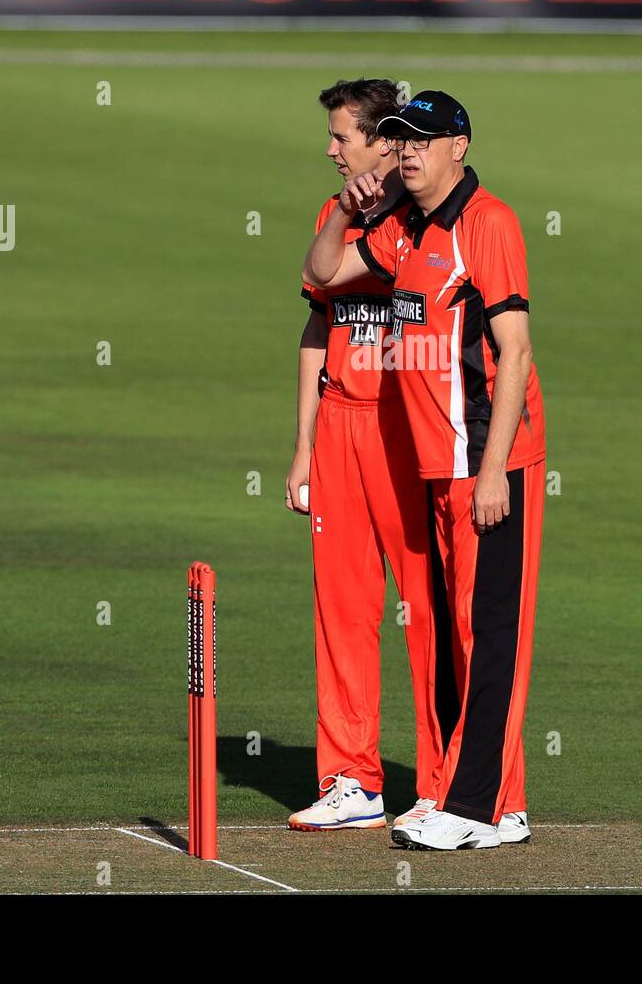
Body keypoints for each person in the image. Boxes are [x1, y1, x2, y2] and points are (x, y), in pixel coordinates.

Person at [302, 91, 545, 850]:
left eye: (425, 140)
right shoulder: (408, 230)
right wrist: (347, 208)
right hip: (442, 465)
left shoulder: (488, 222)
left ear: (459, 147)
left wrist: (498, 465)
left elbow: (517, 349)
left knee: (491, 633)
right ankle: (495, 808)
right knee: (464, 634)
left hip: (486, 461)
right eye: (401, 140)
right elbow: (326, 269)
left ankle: (477, 807)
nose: (409, 152)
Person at [285, 79, 446, 831]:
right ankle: (353, 780)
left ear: (386, 141)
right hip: (341, 430)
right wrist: (302, 450)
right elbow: (316, 330)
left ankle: (445, 782)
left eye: (342, 136)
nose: (329, 149)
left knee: (425, 610)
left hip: (408, 431)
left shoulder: (426, 219)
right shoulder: (334, 214)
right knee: (342, 610)